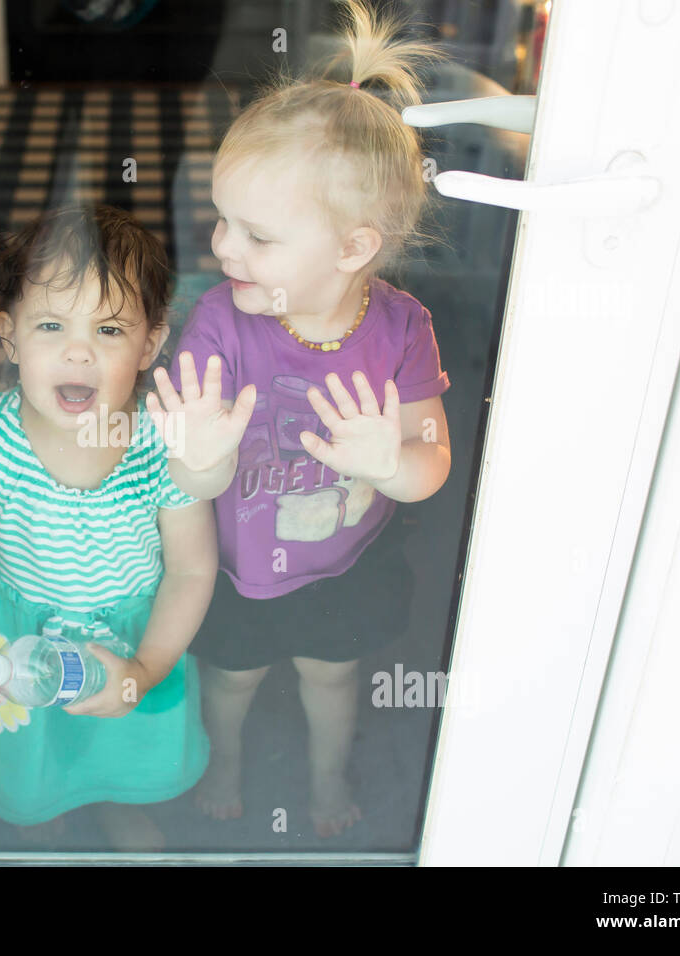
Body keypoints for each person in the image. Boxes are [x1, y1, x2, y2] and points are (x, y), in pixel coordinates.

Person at [147, 0, 452, 837]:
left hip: (347, 563)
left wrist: (390, 460)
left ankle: (323, 782)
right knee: (233, 680)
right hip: (236, 567)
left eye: (257, 235)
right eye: (221, 220)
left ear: (352, 248)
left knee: (331, 677)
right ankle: (230, 767)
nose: (222, 248)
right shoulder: (219, 321)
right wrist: (198, 458)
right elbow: (191, 483)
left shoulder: (401, 330)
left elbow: (431, 466)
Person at [0, 204, 214, 848]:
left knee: (118, 731)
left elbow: (193, 569)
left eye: (110, 330)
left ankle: (112, 803)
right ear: (9, 338)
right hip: (18, 641)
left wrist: (144, 666)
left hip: (136, 635)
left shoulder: (166, 446)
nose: (78, 351)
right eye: (51, 325)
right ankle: (44, 814)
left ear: (150, 343)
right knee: (30, 766)